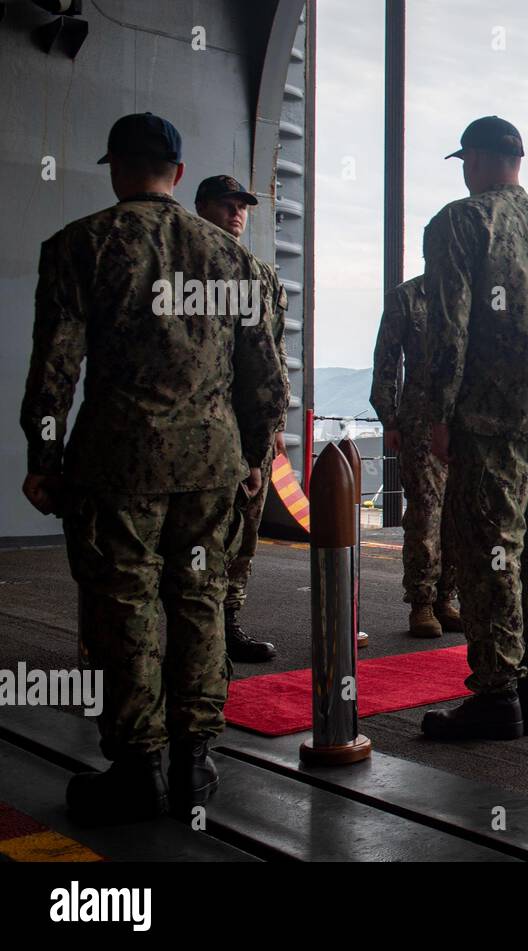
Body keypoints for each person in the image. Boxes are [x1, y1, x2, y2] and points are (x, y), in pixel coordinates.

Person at [19, 113, 287, 823]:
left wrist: (43, 458)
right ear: (176, 171)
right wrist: (255, 459)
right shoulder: (233, 260)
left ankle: (138, 766)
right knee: (198, 602)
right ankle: (196, 763)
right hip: (211, 466)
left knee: (122, 608)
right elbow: (266, 380)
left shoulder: (82, 244)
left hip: (118, 463)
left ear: (116, 167)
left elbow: (55, 368)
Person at [420, 116, 528, 740]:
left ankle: (497, 693)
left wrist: (437, 413)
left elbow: (449, 332)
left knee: (490, 554)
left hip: (489, 424)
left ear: (474, 159)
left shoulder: (461, 222)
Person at [194, 174, 288, 662]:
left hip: (246, 427)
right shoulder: (184, 267)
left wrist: (273, 432)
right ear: (202, 205)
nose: (237, 213)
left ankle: (228, 622)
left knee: (244, 532)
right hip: (199, 430)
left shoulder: (262, 275)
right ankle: (198, 634)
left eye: (243, 206)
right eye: (227, 204)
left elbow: (273, 355)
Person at [370, 275, 461, 637]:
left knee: (457, 514)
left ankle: (446, 598)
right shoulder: (407, 297)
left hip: (466, 423)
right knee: (425, 512)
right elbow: (387, 359)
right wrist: (389, 417)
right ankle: (421, 603)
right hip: (420, 421)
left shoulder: (471, 293)